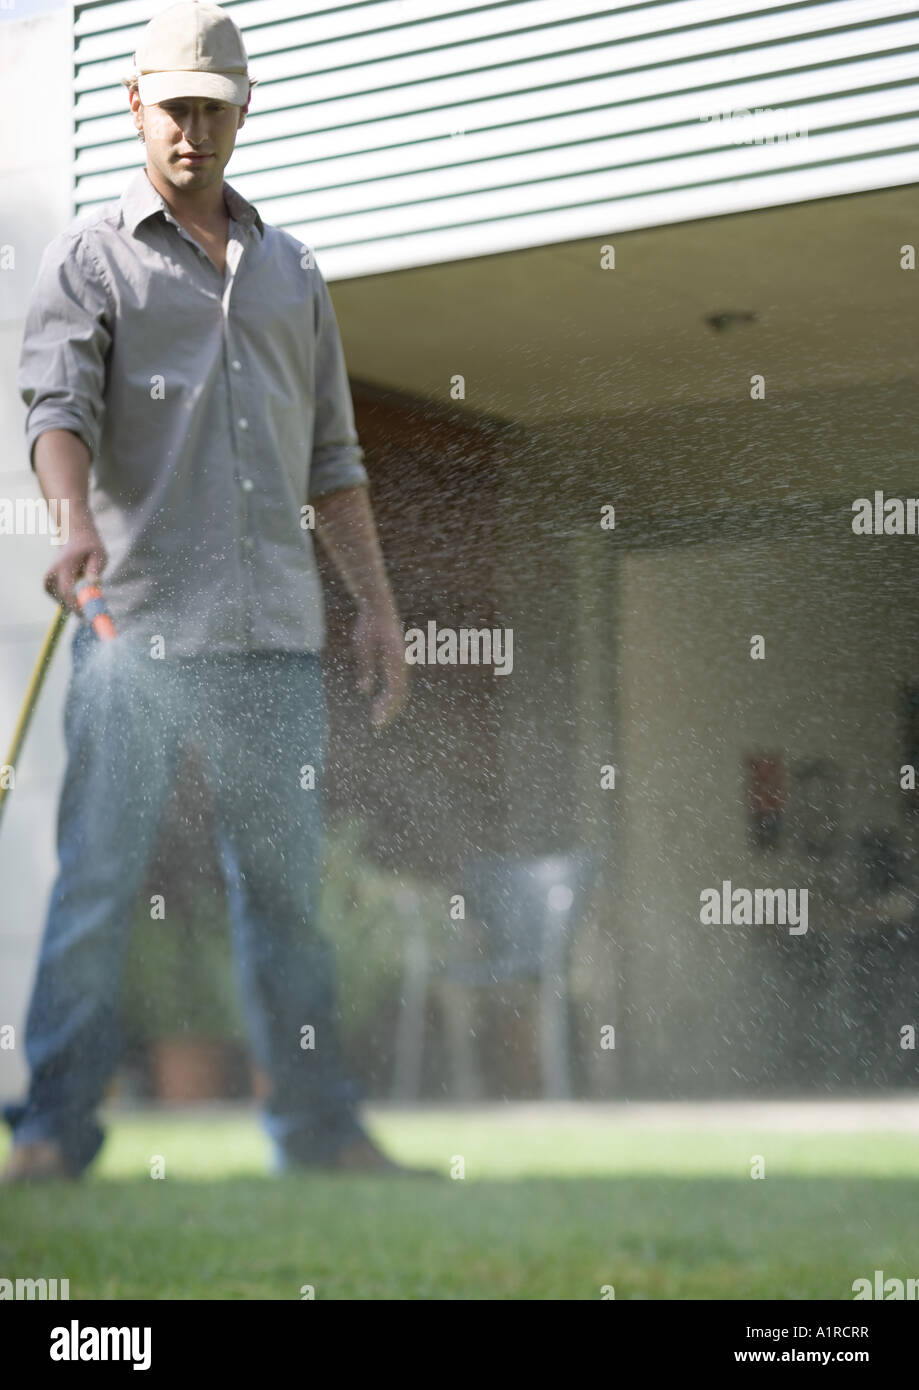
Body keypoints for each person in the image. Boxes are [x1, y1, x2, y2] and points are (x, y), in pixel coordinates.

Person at [1, 0, 429, 1183]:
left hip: (274, 642)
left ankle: (320, 1127)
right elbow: (57, 413)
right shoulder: (90, 256)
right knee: (97, 882)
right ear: (134, 104)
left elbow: (333, 463)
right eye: (172, 105)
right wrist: (75, 521)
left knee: (287, 900)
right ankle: (53, 1131)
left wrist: (379, 608)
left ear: (243, 111)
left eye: (213, 106)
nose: (192, 127)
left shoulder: (293, 274)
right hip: (131, 626)